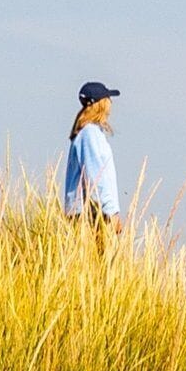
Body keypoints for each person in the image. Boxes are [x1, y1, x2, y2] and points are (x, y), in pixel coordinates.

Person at [62, 81, 122, 253]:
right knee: (101, 264)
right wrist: (111, 211)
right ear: (101, 104)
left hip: (85, 210)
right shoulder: (90, 134)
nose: (111, 103)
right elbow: (96, 175)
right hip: (92, 212)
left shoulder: (85, 133)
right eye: (108, 99)